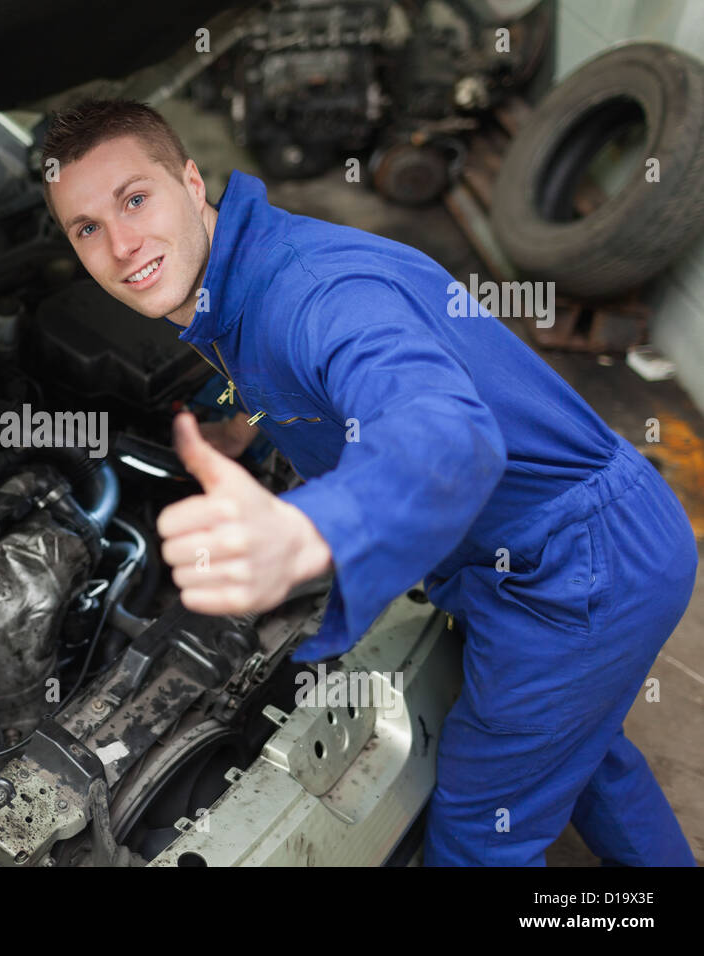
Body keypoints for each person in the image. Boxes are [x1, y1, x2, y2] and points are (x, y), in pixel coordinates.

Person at [40, 98, 697, 866]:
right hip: (560, 546)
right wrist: (246, 426)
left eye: (134, 199)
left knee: (480, 834)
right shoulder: (247, 272)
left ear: (190, 180)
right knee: (584, 756)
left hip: (577, 570)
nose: (120, 245)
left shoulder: (314, 295)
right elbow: (314, 381)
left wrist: (310, 528)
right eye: (87, 228)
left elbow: (443, 432)